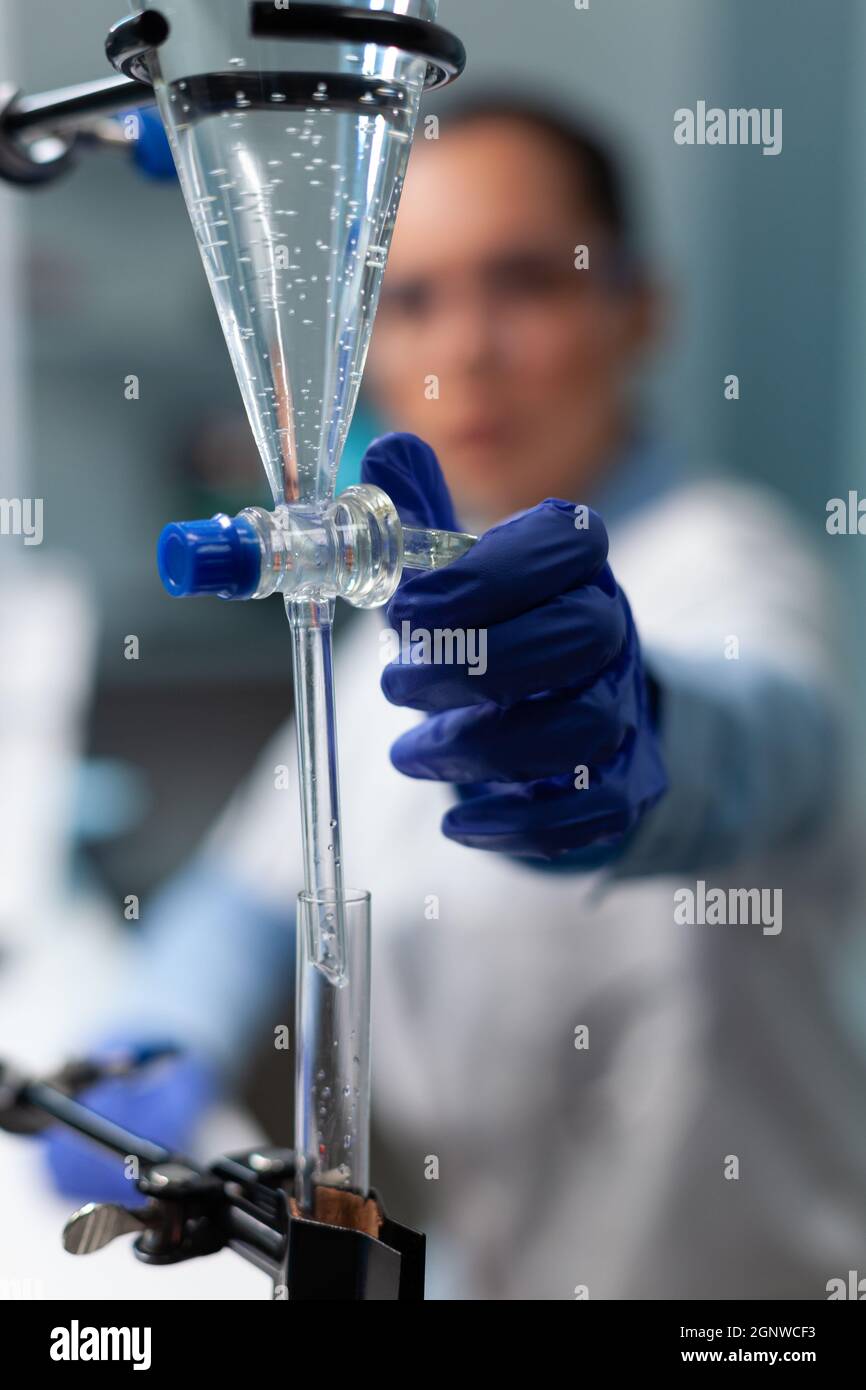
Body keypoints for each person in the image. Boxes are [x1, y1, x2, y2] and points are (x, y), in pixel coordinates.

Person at [45, 98, 866, 1300]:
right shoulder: (393, 615)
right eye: (413, 298)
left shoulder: (734, 564)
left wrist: (636, 729)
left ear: (637, 307)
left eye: (526, 281)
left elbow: (762, 746)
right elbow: (242, 898)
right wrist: (145, 1047)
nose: (467, 348)